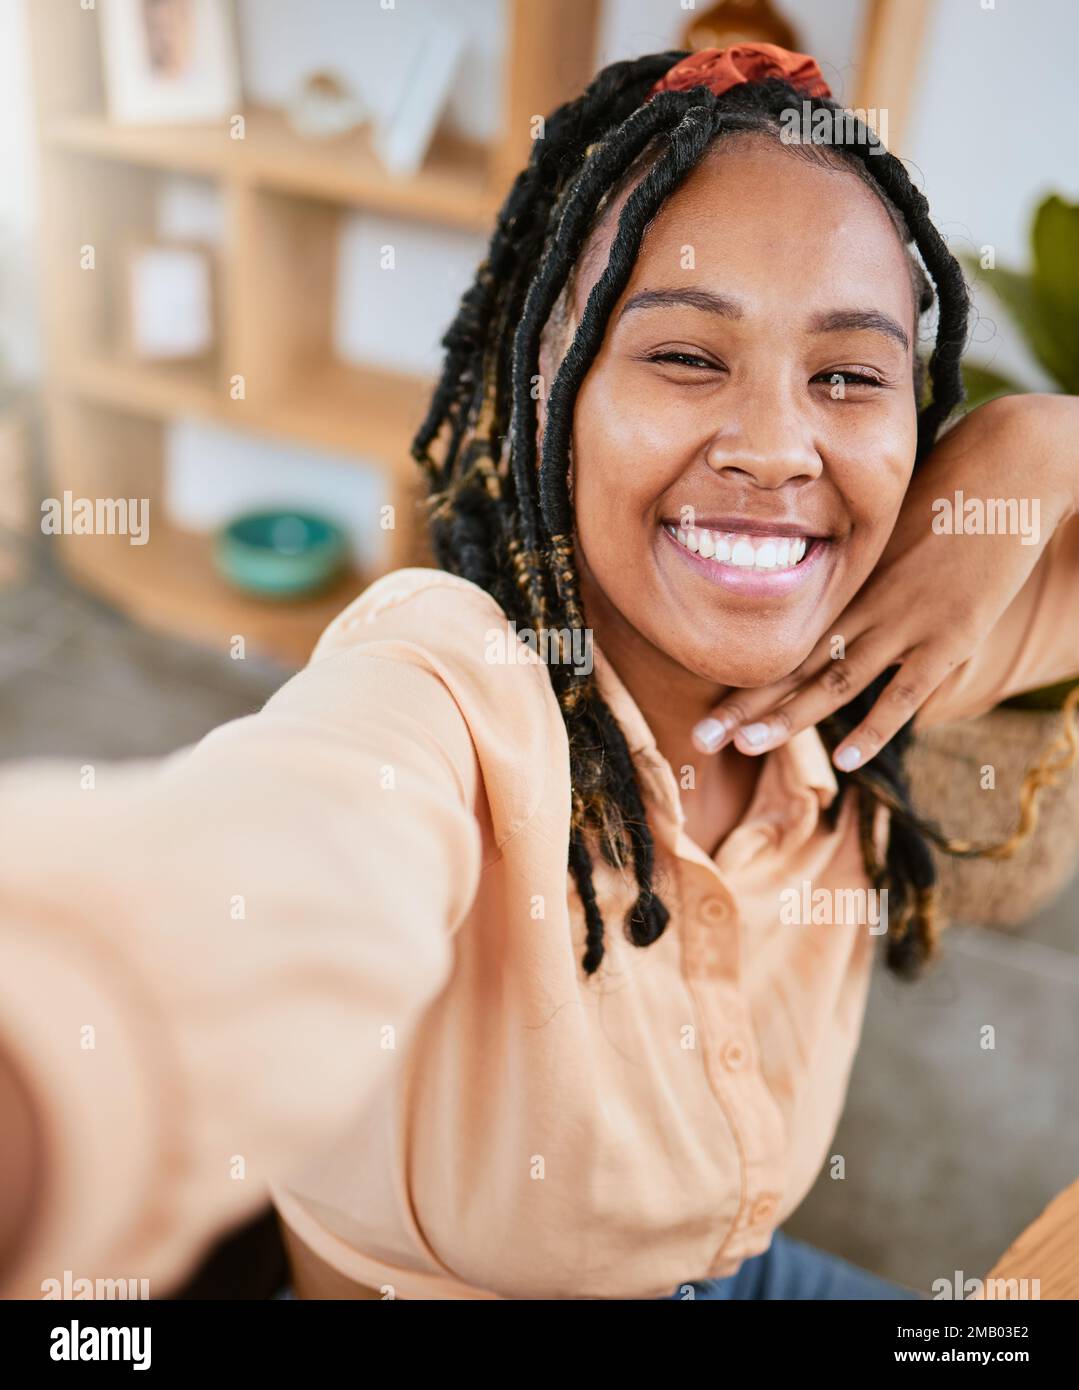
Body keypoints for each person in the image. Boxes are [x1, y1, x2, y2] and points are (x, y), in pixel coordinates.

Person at [2, 42, 1078, 1302]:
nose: (779, 447)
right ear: (550, 399)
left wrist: (1036, 442)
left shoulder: (869, 652)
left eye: (846, 375)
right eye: (684, 356)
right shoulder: (446, 699)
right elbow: (262, 861)